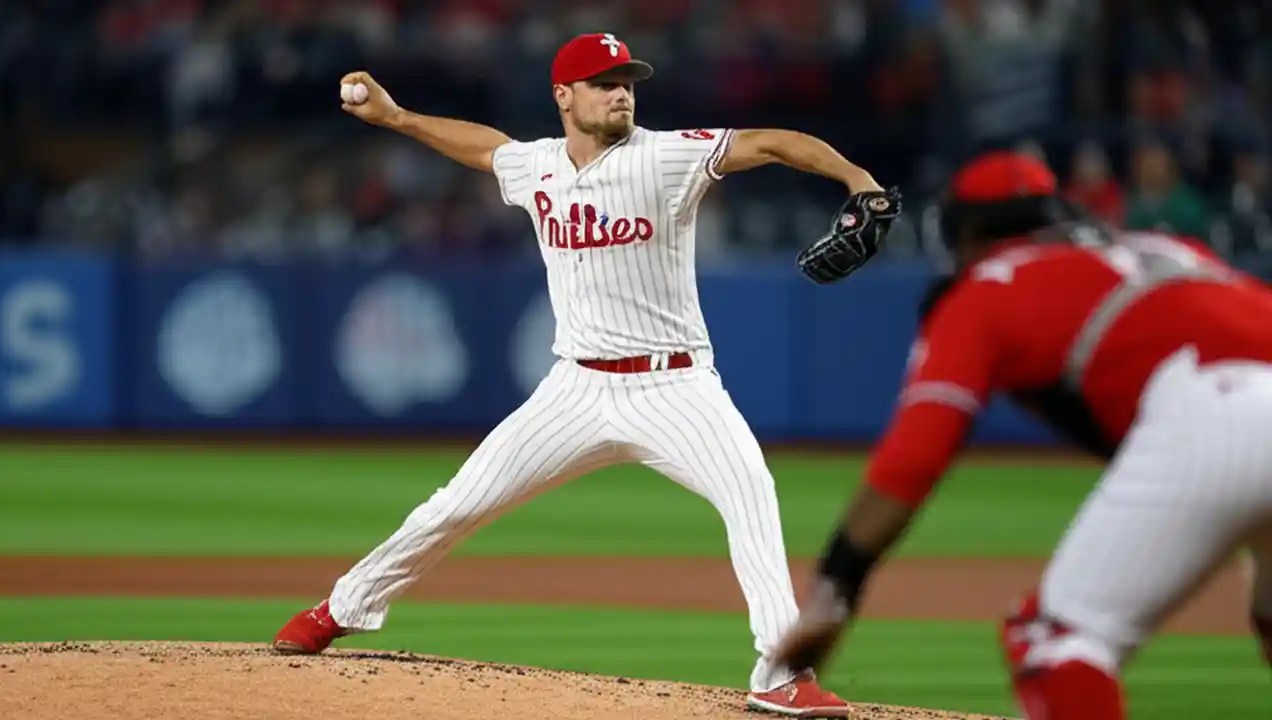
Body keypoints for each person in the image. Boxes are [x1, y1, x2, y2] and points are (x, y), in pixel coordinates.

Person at [273, 32, 895, 717]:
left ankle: (780, 673)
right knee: (457, 504)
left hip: (676, 387)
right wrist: (397, 118)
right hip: (575, 389)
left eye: (627, 79)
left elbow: (774, 141)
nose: (621, 89)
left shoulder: (668, 156)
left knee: (750, 491)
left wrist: (856, 178)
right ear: (564, 96)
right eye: (604, 81)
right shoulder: (535, 167)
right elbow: (485, 148)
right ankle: (341, 608)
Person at [771, 150, 1272, 719]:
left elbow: (914, 457)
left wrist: (837, 588)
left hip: (1207, 407)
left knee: (1053, 641)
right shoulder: (1168, 249)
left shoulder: (989, 284)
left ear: (970, 230)